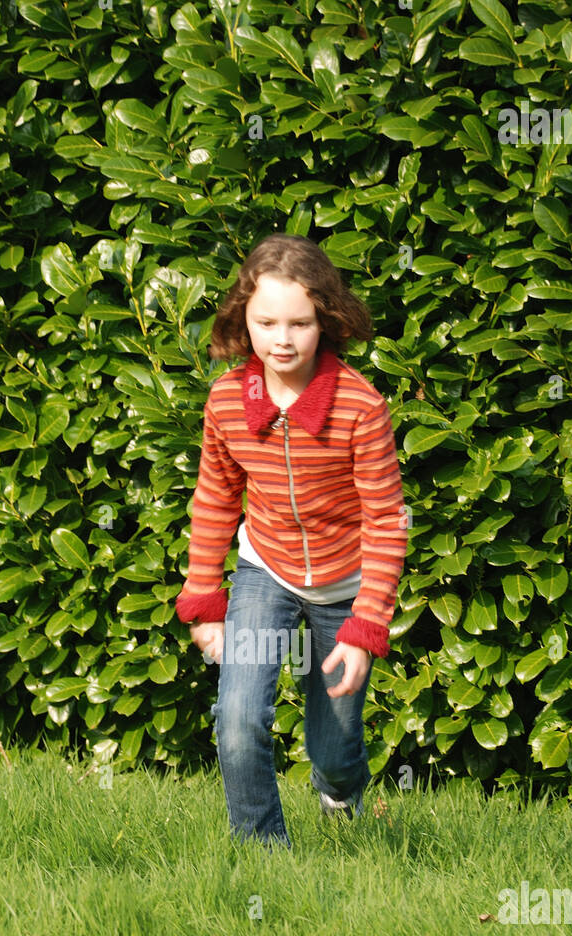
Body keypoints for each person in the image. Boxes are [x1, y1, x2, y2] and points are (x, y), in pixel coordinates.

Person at [174, 234, 408, 849]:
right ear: (241, 320)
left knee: (333, 750)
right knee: (239, 718)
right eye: (266, 322)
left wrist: (365, 629)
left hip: (346, 587)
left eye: (299, 322)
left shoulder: (360, 406)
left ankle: (340, 798)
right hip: (264, 571)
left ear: (325, 320)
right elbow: (216, 498)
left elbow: (386, 519)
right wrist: (203, 595)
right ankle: (264, 854)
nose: (282, 339)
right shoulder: (227, 402)